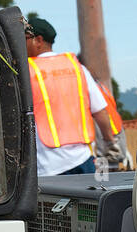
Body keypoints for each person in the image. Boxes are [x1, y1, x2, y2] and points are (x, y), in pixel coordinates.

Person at [24, 16, 118, 175]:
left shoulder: (28, 71)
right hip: (84, 161)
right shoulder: (76, 67)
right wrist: (110, 143)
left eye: (24, 39)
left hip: (48, 167)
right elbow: (100, 111)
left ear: (38, 40)